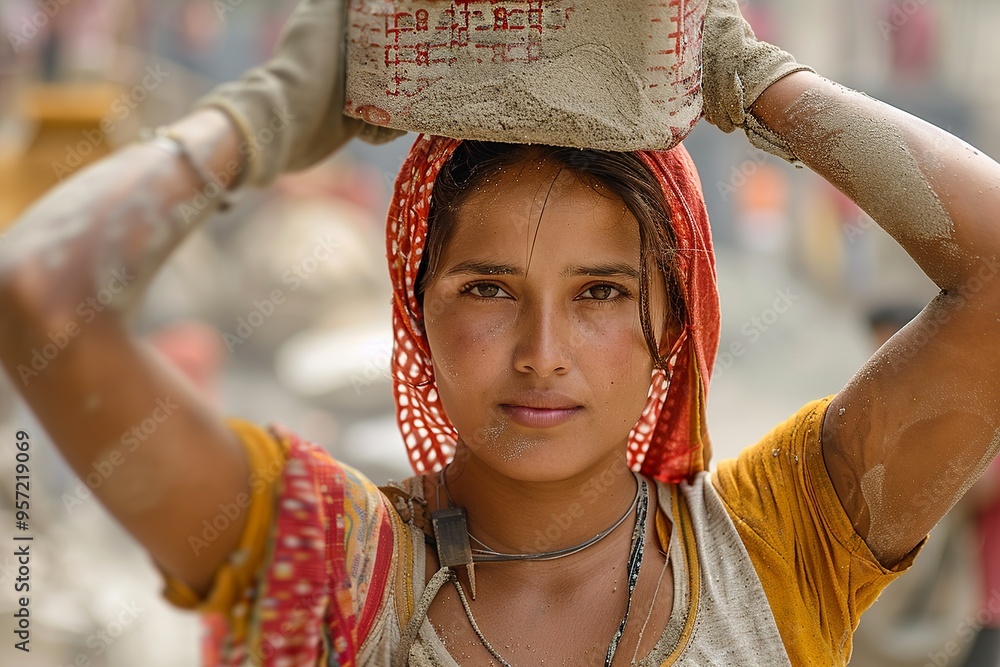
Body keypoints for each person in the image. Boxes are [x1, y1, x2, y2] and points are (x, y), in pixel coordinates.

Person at [1, 1, 999, 665]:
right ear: (417, 309)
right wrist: (272, 115)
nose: (541, 351)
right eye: (487, 289)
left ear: (671, 322)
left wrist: (747, 82)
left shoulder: (777, 544)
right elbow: (37, 296)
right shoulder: (317, 556)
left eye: (601, 293)